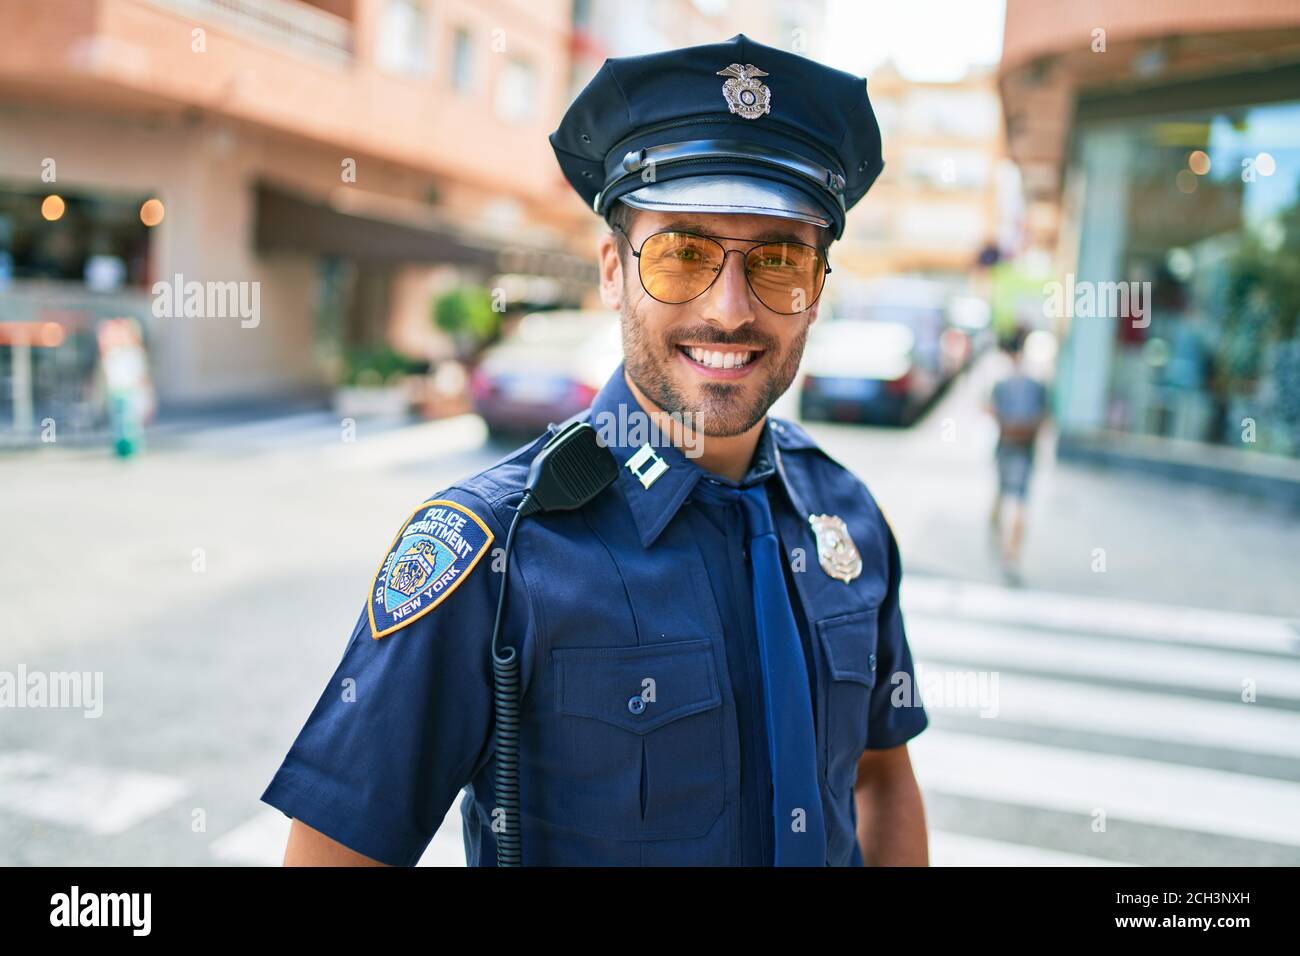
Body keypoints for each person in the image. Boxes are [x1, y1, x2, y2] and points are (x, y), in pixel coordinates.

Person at [261, 33, 929, 867]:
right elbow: (336, 853)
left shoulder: (847, 517)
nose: (729, 309)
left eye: (780, 261)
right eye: (682, 255)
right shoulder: (492, 551)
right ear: (612, 270)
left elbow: (878, 775)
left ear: (818, 290)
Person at [986, 328, 1048, 584]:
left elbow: (990, 409)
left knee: (1005, 496)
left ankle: (1004, 547)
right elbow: (1045, 416)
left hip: (1008, 445)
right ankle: (1011, 555)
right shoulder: (1037, 382)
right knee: (1019, 501)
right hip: (1023, 447)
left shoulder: (1003, 381)